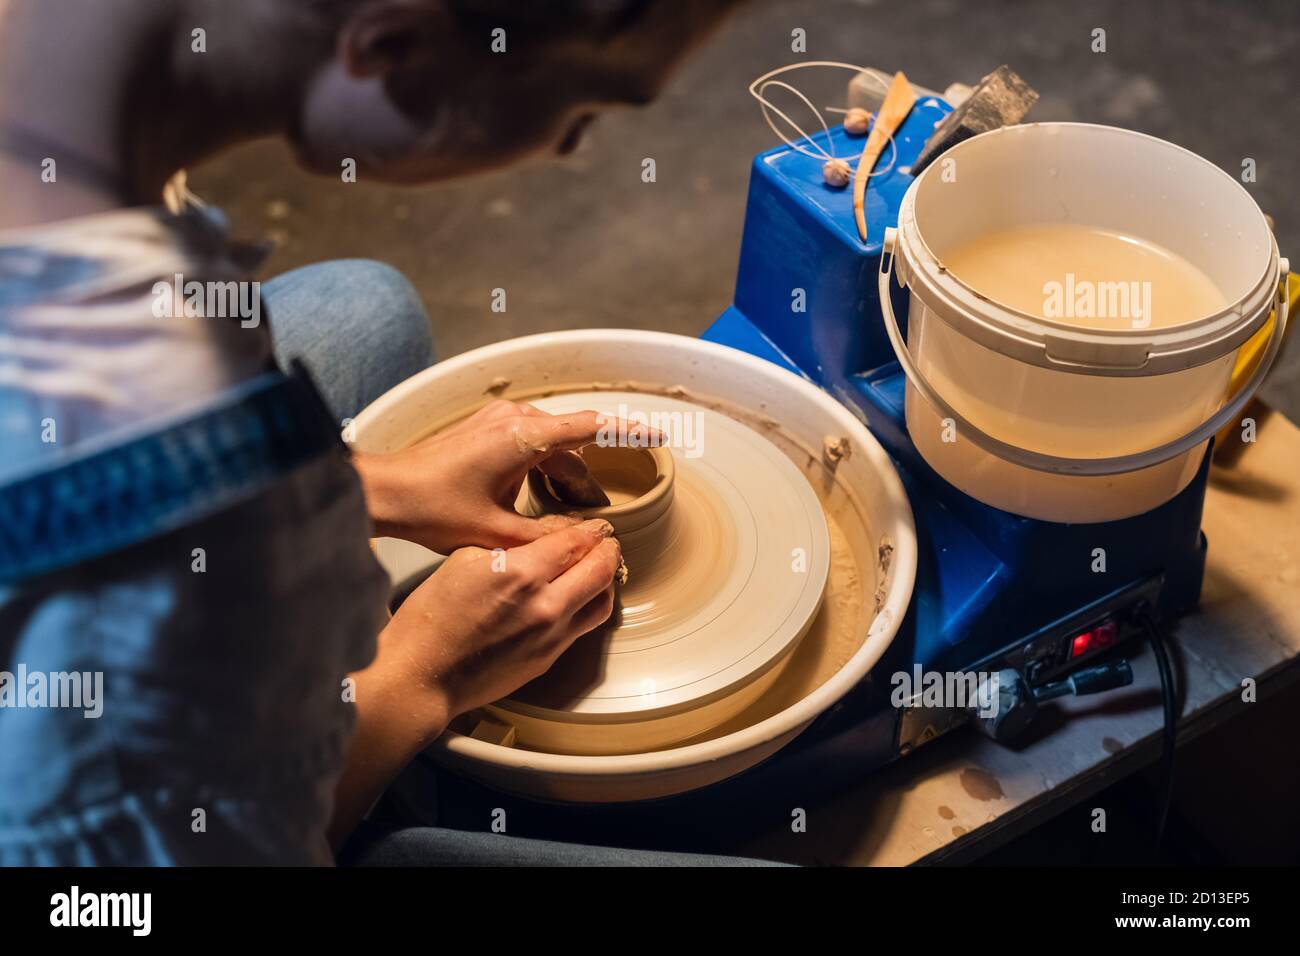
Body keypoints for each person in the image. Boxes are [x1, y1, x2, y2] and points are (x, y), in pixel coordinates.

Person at [0, 0, 771, 865]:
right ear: (394, 43)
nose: (569, 150)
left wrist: (379, 486)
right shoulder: (134, 405)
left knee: (366, 308)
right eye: (586, 107)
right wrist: (421, 675)